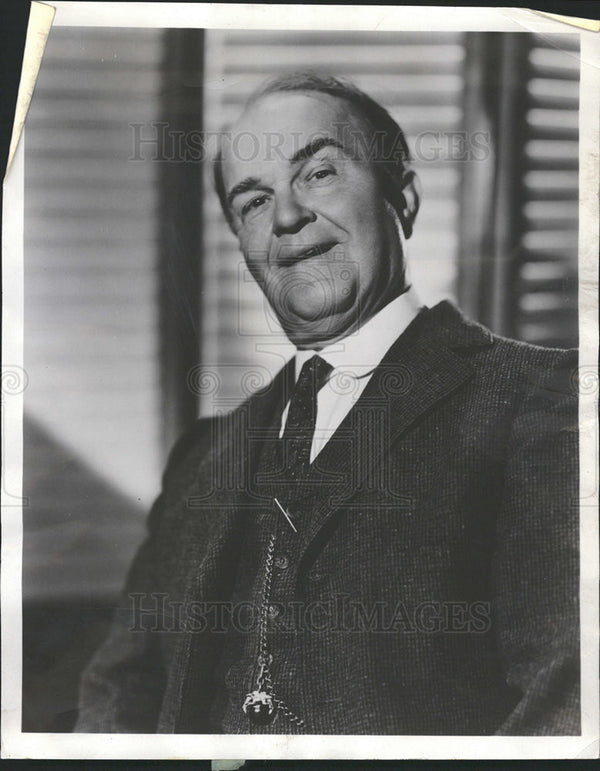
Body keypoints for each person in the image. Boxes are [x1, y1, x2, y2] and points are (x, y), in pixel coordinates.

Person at [75, 72, 579, 735]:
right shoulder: (207, 451)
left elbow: (567, 699)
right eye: (253, 202)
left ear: (402, 195)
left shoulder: (542, 401)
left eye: (316, 173)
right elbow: (121, 689)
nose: (285, 217)